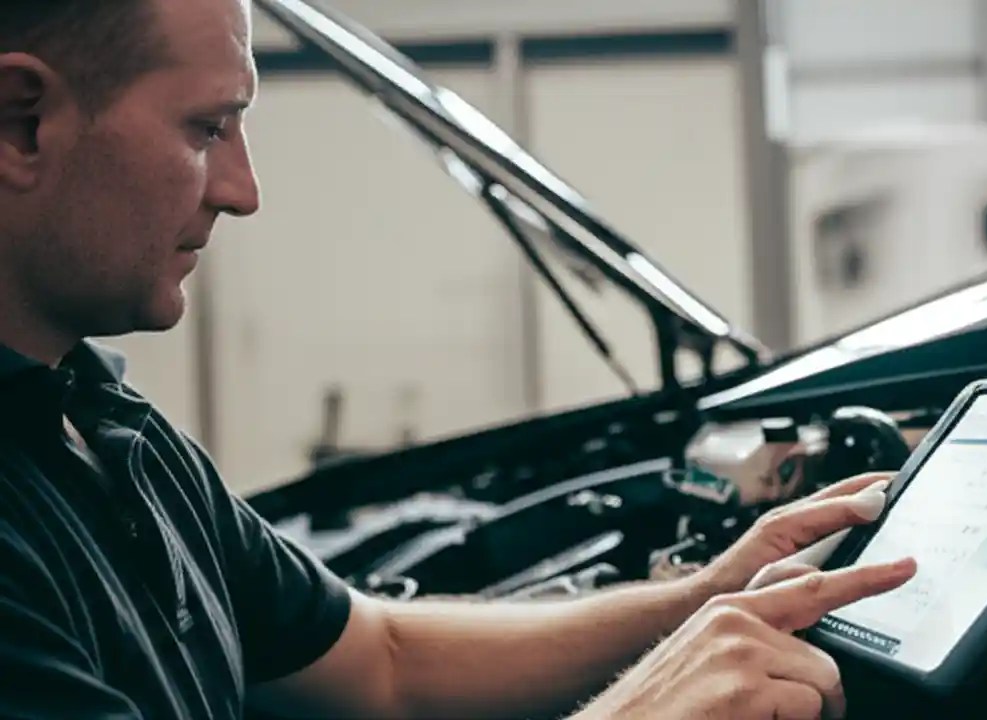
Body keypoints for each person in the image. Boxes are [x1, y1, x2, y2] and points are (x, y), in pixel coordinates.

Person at [0, 0, 917, 718]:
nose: (243, 191)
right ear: (21, 124)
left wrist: (707, 598)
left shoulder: (102, 425)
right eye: (207, 129)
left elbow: (383, 663)